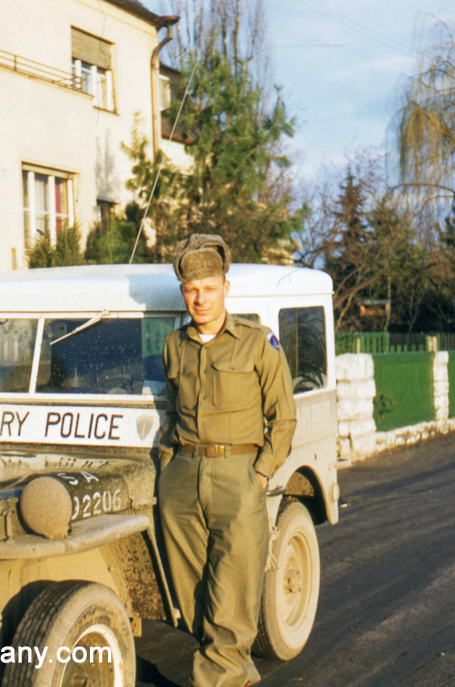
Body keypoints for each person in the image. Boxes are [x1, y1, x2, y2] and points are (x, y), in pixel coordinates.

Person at [157, 234, 297, 687]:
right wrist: (166, 468)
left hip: (238, 476)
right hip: (181, 478)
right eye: (192, 289)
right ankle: (235, 668)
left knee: (233, 586)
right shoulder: (173, 346)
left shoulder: (258, 343)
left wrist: (261, 472)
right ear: (183, 292)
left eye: (209, 288)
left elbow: (284, 415)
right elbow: (171, 407)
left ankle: (215, 679)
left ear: (225, 287)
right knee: (190, 590)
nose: (201, 298)